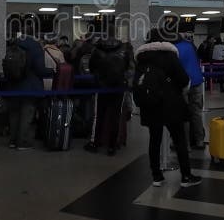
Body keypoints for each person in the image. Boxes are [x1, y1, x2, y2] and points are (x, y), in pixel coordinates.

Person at [134, 28, 202, 188]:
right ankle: (186, 176)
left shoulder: (141, 58)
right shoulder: (169, 55)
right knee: (179, 139)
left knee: (154, 140)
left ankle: (156, 176)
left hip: (150, 105)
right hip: (171, 104)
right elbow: (183, 79)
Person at [7, 26, 51, 150]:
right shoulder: (35, 46)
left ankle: (13, 140)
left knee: (14, 114)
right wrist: (51, 71)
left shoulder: (13, 44)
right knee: (27, 114)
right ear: (34, 34)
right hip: (30, 86)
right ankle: (23, 142)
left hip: (13, 84)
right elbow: (40, 68)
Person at [86, 31, 130, 156]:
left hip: (101, 87)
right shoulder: (123, 50)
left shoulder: (97, 50)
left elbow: (92, 68)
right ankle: (112, 146)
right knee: (115, 117)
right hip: (118, 87)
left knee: (98, 116)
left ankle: (95, 143)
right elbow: (127, 68)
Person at [175, 27, 206, 150]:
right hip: (197, 81)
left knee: (183, 114)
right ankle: (199, 141)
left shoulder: (174, 48)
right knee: (196, 113)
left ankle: (185, 144)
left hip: (184, 83)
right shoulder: (190, 46)